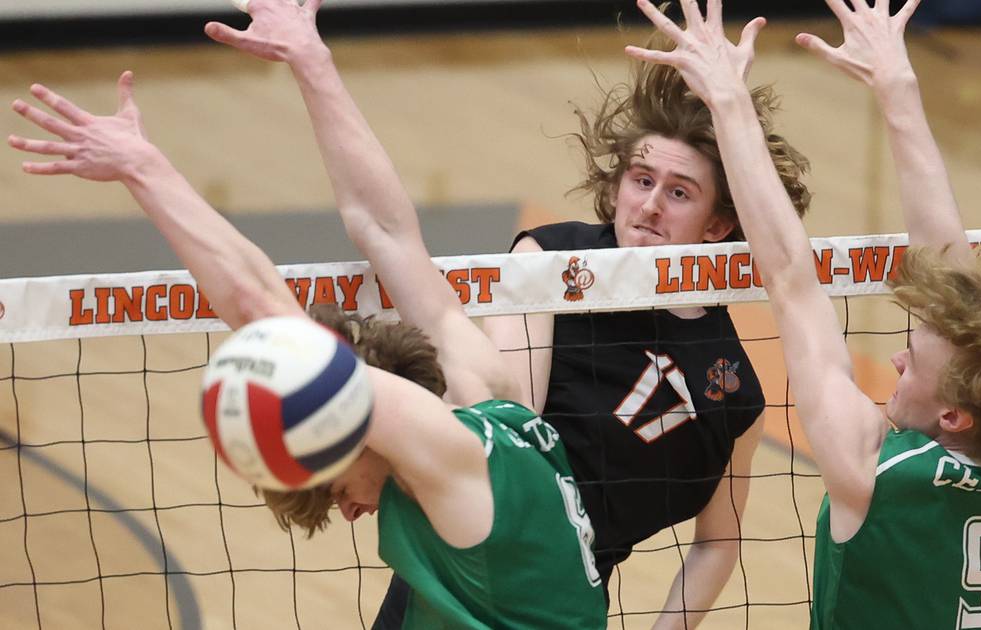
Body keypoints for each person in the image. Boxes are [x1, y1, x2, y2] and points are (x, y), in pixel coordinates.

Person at [201, 1, 812, 627]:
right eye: (640, 179)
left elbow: (717, 543)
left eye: (678, 192)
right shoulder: (552, 260)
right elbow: (510, 416)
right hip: (473, 562)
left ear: (718, 225)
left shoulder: (732, 387)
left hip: (564, 604)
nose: (649, 205)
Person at [8, 71, 607, 629]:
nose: (347, 513)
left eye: (334, 486)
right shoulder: (493, 401)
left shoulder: (452, 458)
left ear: (344, 423)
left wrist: (144, 170)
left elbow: (256, 305)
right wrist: (309, 59)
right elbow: (388, 231)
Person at [626, 0, 981, 626]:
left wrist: (729, 102)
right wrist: (896, 92)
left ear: (953, 415)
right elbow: (956, 287)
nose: (899, 357)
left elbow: (792, 279)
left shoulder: (872, 478)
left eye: (914, 361)